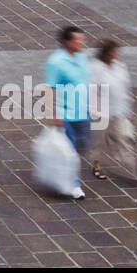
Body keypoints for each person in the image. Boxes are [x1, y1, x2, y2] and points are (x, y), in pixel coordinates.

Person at [44, 25, 91, 199]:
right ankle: (73, 185)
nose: (82, 42)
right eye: (78, 40)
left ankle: (59, 176)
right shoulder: (56, 62)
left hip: (82, 112)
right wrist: (53, 114)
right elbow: (50, 88)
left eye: (82, 39)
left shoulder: (83, 58)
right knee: (69, 150)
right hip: (66, 114)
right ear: (67, 42)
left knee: (82, 146)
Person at [90, 39, 136, 182]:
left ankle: (129, 169)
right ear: (107, 53)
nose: (117, 54)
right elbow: (91, 90)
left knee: (124, 137)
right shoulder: (96, 68)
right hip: (100, 112)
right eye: (114, 52)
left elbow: (125, 88)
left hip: (119, 110)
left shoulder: (120, 67)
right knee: (98, 141)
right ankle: (96, 166)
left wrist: (128, 105)